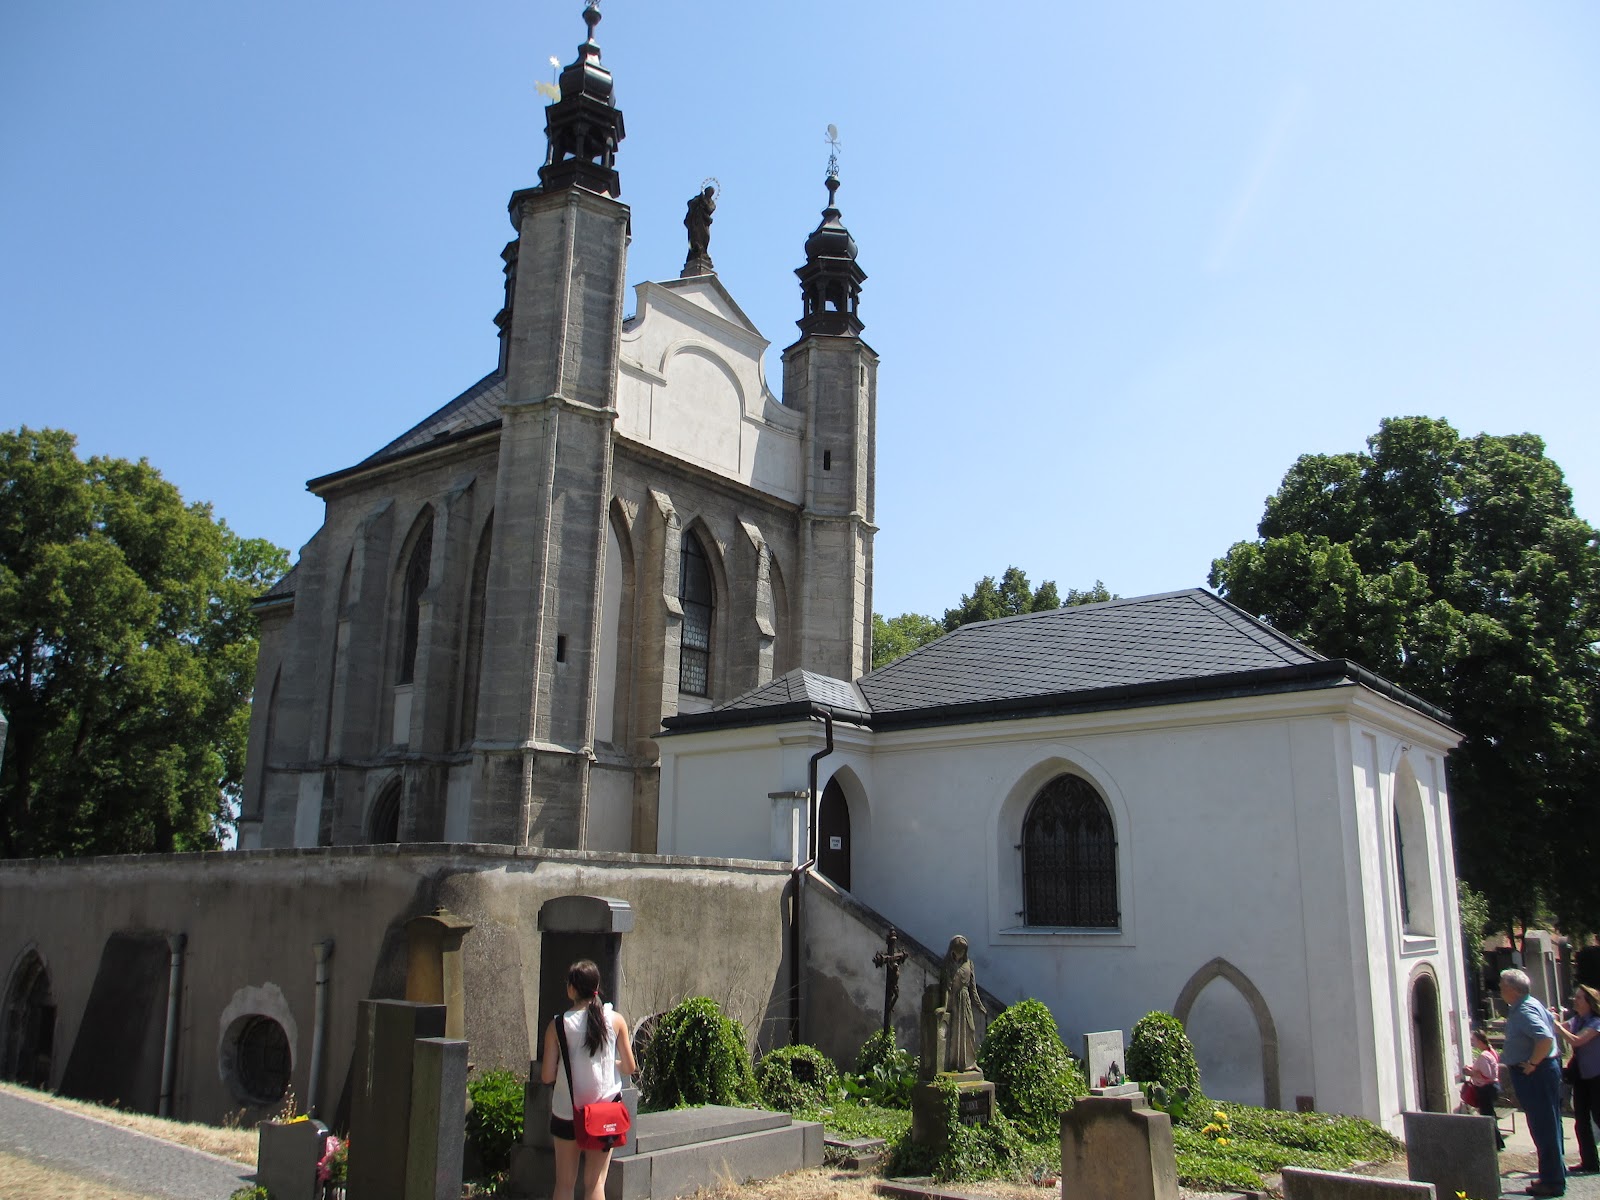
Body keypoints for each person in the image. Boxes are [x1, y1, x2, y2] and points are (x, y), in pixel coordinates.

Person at [540, 960, 637, 1200]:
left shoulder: (558, 1025)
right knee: (595, 1184)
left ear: (572, 989)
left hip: (567, 1111)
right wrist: (610, 1065)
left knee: (564, 1184)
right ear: (596, 987)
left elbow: (547, 1076)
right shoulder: (615, 1020)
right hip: (605, 1112)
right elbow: (629, 1067)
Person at [1501, 967, 1566, 1196]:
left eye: (1502, 986)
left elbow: (1545, 1038)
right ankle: (1552, 1175)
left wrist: (1533, 1063)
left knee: (1544, 1127)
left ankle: (1553, 1182)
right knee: (1547, 1126)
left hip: (1536, 1074)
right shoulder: (1530, 1004)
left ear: (1512, 989)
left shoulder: (1525, 1010)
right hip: (1541, 1072)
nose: (1500, 990)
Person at [1555, 984, 1600, 1173]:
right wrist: (1554, 1020)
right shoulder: (1578, 1020)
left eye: (1580, 998)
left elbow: (1576, 1040)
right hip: (1582, 1077)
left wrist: (1556, 1026)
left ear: (1589, 1002)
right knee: (1581, 1119)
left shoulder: (1596, 1022)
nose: (1575, 1000)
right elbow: (1562, 1028)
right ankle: (1589, 1162)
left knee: (1598, 1116)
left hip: (1597, 1076)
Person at [939, 935, 985, 1073]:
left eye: (962, 951)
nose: (959, 954)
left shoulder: (969, 964)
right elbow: (946, 987)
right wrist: (944, 1006)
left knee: (970, 1029)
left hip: (965, 1000)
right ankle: (955, 1063)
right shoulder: (947, 965)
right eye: (957, 951)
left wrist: (979, 1005)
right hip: (954, 1001)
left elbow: (973, 988)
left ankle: (971, 1062)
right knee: (954, 1032)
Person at [1464, 1027, 1504, 1149]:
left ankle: (1494, 1142)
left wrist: (1469, 1072)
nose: (1473, 1043)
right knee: (1489, 1114)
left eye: (1474, 1040)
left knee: (1487, 1116)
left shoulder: (1484, 1056)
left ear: (1480, 1041)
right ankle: (1496, 1142)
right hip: (1492, 1087)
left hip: (1485, 1089)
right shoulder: (1491, 1051)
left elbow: (1486, 1075)